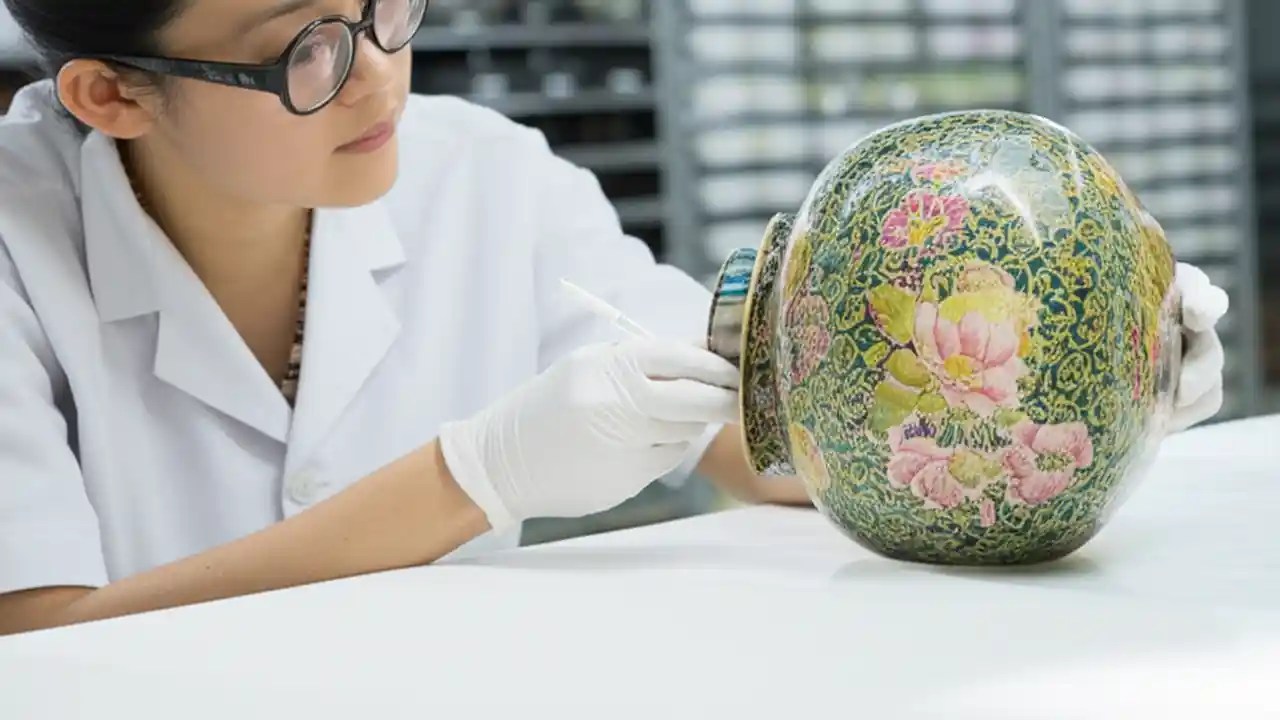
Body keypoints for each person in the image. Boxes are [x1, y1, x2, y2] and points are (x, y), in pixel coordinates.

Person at [0, 0, 1228, 636]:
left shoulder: (488, 173)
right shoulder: (18, 247)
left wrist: (1083, 391)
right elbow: (40, 647)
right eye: (305, 49)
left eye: (383, 6)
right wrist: (470, 476)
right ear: (112, 93)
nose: (379, 72)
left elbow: (754, 442)